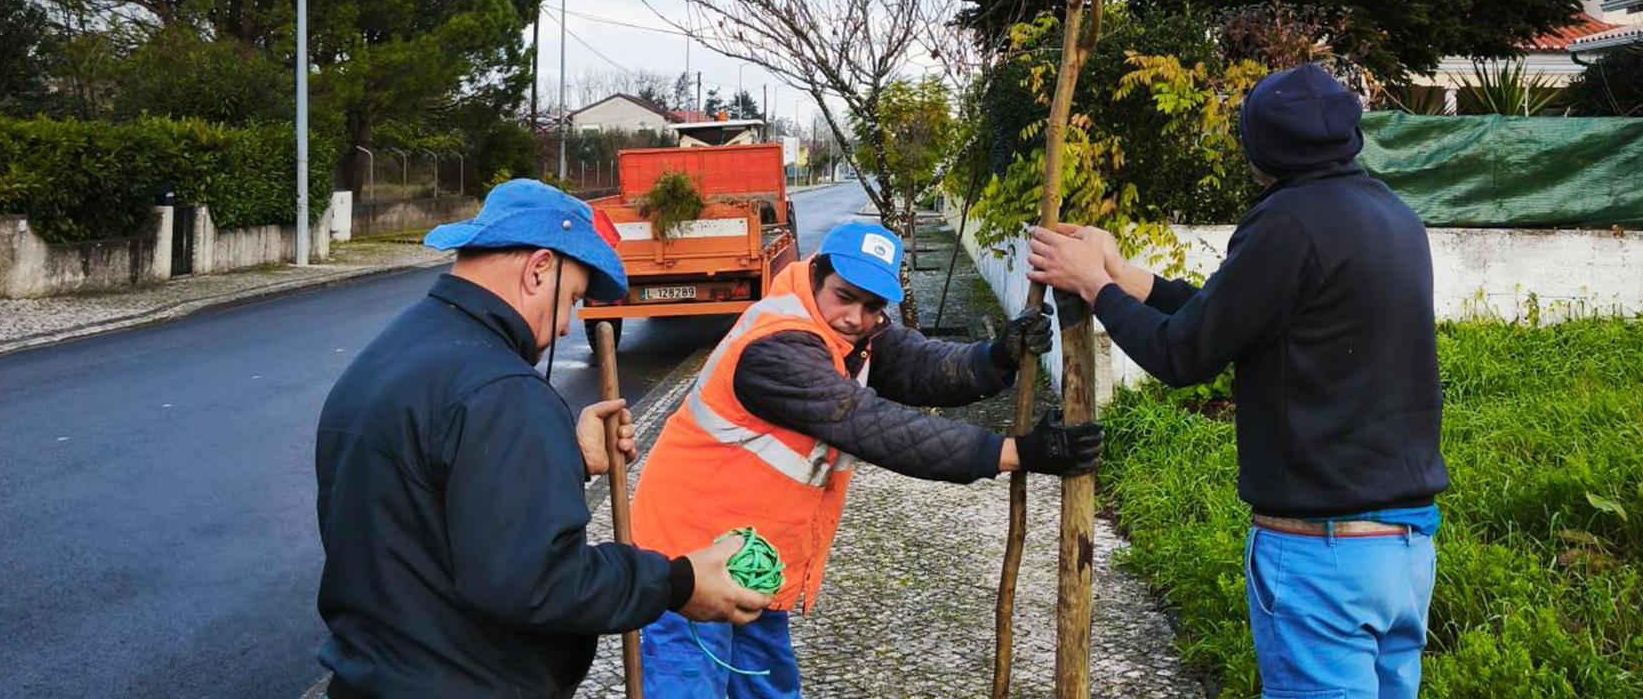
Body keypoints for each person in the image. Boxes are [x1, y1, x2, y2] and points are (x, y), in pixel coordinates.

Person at [1026, 64, 1447, 699]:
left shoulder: (1287, 222)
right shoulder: (1392, 217)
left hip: (1322, 557)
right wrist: (1119, 273)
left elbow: (1184, 355)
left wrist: (1094, 286)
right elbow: (1225, 317)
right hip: (1403, 551)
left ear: (1260, 149)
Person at [314, 179, 773, 698]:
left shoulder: (387, 356)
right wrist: (678, 582)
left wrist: (563, 459)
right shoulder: (503, 391)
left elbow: (425, 500)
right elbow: (538, 583)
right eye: (572, 299)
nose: (563, 329)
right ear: (538, 271)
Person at [627, 220, 1102, 697]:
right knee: (690, 686)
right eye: (845, 296)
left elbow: (921, 365)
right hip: (691, 545)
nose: (856, 317)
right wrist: (1013, 452)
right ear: (815, 275)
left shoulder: (853, 337)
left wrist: (997, 356)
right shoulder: (778, 347)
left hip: (750, 553)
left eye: (873, 306)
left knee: (767, 688)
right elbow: (876, 428)